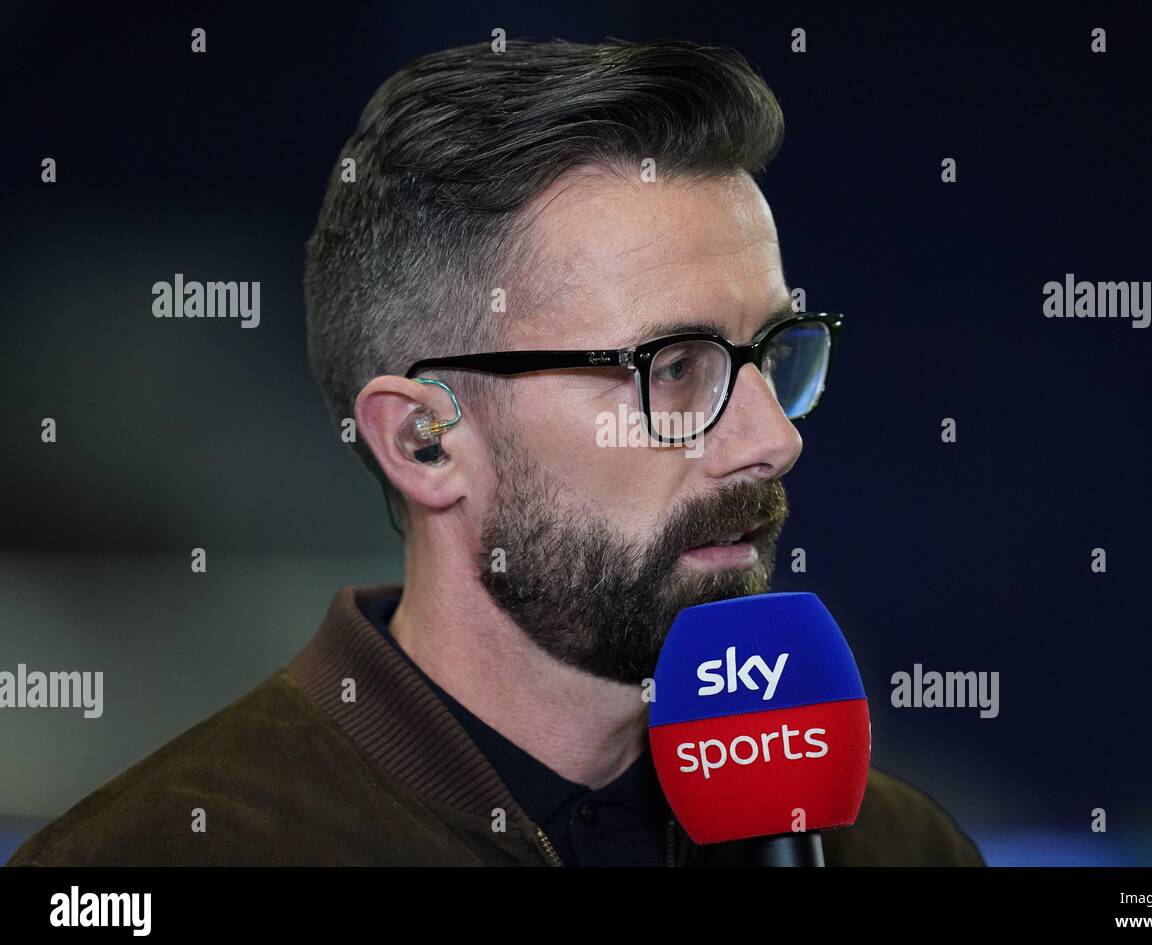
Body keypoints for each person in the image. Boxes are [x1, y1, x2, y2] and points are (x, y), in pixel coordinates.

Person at [8, 38, 983, 867]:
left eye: (772, 351)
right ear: (424, 441)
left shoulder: (892, 847)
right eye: (673, 368)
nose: (774, 438)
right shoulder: (154, 861)